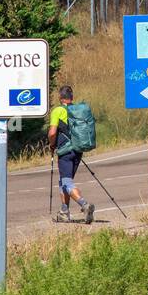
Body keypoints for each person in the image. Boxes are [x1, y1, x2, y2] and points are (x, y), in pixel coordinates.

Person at [48, 85, 95, 224]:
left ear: (60, 97)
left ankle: (84, 205)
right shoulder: (77, 110)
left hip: (65, 151)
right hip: (78, 150)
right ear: (71, 97)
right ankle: (64, 212)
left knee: (66, 182)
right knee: (65, 181)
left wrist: (52, 144)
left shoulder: (57, 111)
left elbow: (52, 133)